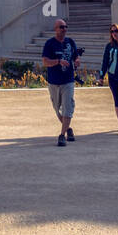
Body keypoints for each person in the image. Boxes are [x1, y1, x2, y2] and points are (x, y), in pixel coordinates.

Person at [42, 18, 81, 146]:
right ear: (56, 29)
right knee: (57, 109)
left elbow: (76, 56)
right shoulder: (50, 44)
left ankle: (62, 135)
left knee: (67, 107)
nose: (64, 29)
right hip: (54, 82)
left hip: (68, 81)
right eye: (61, 27)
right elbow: (45, 61)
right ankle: (68, 128)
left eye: (65, 27)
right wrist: (58, 62)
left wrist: (77, 61)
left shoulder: (70, 42)